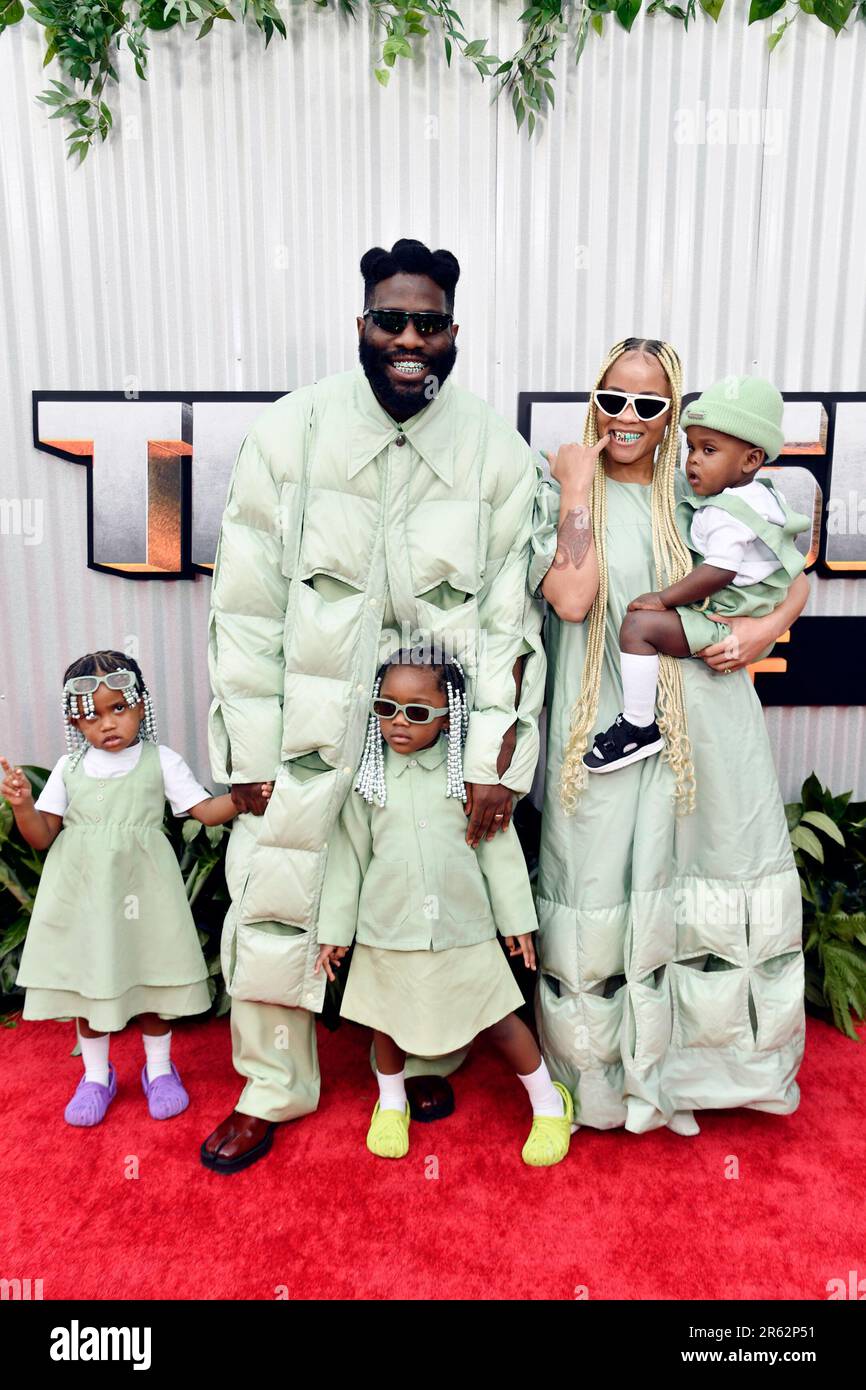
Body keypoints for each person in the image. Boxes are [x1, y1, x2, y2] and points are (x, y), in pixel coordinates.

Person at [201, 238, 546, 1174]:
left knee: (426, 886)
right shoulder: (289, 435)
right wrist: (251, 751)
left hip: (434, 734)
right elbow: (243, 610)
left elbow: (512, 627)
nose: (409, 339)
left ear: (453, 333)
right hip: (314, 722)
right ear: (361, 324)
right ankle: (272, 1084)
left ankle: (429, 1048)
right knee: (275, 893)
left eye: (428, 324)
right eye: (391, 320)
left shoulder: (497, 455)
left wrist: (495, 766)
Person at [533, 338, 809, 1135]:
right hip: (604, 733)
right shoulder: (556, 489)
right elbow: (575, 602)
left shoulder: (696, 490)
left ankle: (701, 1076)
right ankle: (609, 1082)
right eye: (613, 398)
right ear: (595, 398)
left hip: (705, 729)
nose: (628, 417)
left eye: (650, 406)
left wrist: (767, 629)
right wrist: (578, 489)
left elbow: (789, 568)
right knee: (597, 886)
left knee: (701, 875)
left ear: (673, 416)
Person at [314, 647, 572, 1167]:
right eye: (385, 709)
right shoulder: (369, 779)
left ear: (449, 712)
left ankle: (549, 1103)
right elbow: (348, 860)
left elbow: (498, 853)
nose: (398, 724)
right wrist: (335, 930)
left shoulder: (467, 780)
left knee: (499, 1019)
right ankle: (391, 1103)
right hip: (388, 926)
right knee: (385, 1021)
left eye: (416, 711)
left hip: (465, 926)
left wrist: (516, 922)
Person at [1, 650, 248, 1126]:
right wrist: (23, 805)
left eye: (119, 708)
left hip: (145, 894)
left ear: (142, 705)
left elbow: (204, 811)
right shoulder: (67, 768)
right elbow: (42, 835)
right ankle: (97, 1077)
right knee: (92, 986)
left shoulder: (162, 761)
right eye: (91, 716)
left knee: (149, 979)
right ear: (75, 720)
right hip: (84, 899)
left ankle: (159, 1071)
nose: (107, 724)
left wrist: (242, 798)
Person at [583, 376, 810, 774]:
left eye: (708, 450)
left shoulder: (723, 509)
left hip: (718, 637)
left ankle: (637, 725)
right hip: (705, 645)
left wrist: (665, 599)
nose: (693, 460)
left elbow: (733, 572)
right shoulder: (753, 498)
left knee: (638, 626)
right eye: (691, 448)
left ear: (751, 459)